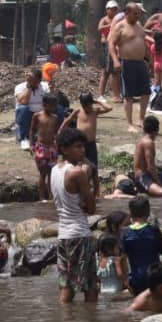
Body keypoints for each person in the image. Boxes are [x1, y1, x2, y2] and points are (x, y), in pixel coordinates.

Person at [51, 128, 98, 303]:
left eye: (83, 146)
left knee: (67, 286)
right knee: (91, 287)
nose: (83, 150)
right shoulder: (77, 173)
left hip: (63, 235)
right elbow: (92, 208)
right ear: (64, 148)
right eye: (77, 147)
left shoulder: (55, 170)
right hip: (79, 234)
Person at [109, 1, 152, 132]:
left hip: (141, 63)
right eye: (135, 13)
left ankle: (141, 120)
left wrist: (149, 59)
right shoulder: (120, 26)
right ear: (127, 13)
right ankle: (130, 124)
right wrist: (116, 60)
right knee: (129, 95)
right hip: (127, 63)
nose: (137, 16)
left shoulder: (139, 26)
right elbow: (111, 44)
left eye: (139, 14)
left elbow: (143, 42)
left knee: (146, 92)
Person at [60, 91, 111, 196]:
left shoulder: (94, 111)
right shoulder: (78, 111)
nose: (87, 108)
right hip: (80, 145)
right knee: (80, 165)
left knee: (94, 168)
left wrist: (97, 101)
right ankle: (81, 188)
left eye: (89, 105)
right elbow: (67, 120)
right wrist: (60, 131)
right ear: (82, 105)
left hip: (91, 144)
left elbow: (109, 108)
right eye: (85, 106)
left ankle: (97, 192)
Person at [121, 195, 162, 296]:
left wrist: (125, 280)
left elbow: (122, 258)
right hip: (155, 277)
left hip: (136, 278)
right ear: (148, 212)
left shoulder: (125, 233)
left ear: (130, 213)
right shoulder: (154, 230)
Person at [30, 94, 61, 201]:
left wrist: (58, 145)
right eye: (52, 106)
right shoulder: (37, 116)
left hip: (52, 147)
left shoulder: (55, 118)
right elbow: (32, 131)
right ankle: (41, 197)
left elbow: (56, 133)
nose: (54, 108)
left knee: (52, 173)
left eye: (55, 106)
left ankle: (51, 196)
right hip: (41, 147)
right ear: (44, 105)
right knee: (43, 173)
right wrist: (31, 145)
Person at [14, 67, 50, 151]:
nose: (29, 81)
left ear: (39, 81)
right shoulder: (19, 87)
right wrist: (29, 87)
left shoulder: (45, 86)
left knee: (58, 108)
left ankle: (55, 136)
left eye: (33, 80)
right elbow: (24, 102)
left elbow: (51, 101)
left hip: (41, 113)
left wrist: (52, 90)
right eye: (29, 79)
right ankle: (24, 139)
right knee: (23, 109)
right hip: (26, 115)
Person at [98, 0, 122, 101]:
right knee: (106, 72)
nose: (113, 11)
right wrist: (111, 25)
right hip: (106, 46)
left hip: (115, 46)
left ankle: (116, 95)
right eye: (111, 9)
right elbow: (99, 28)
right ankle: (101, 95)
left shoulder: (118, 20)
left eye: (115, 9)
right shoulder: (105, 19)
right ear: (107, 10)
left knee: (115, 72)